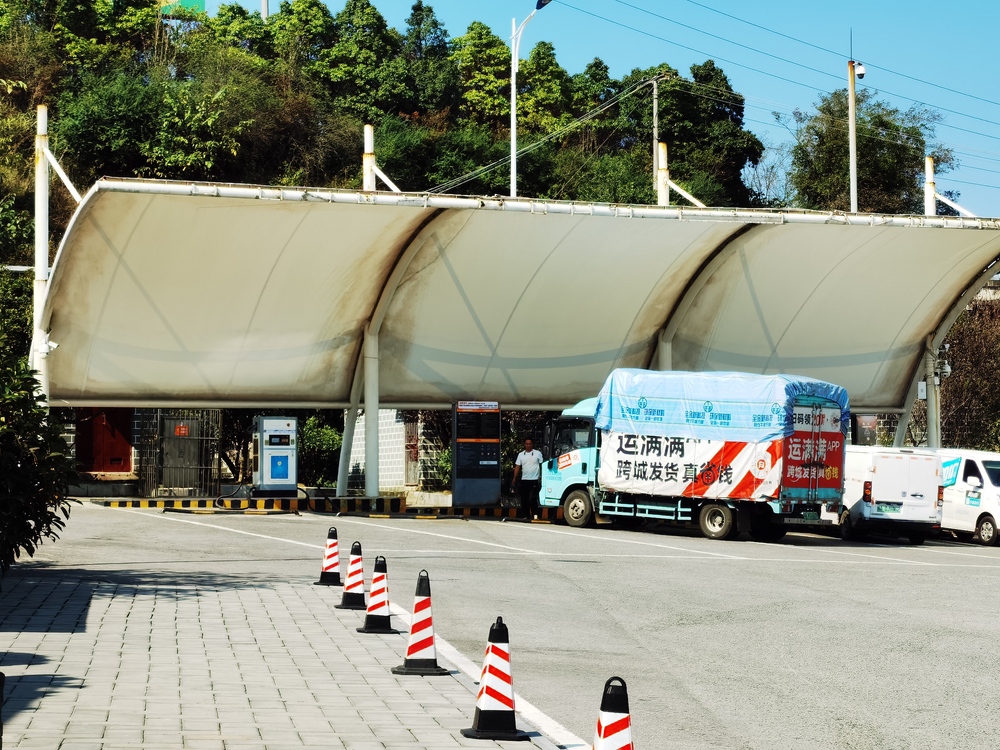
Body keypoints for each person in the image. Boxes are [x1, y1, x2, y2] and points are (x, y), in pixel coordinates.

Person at [511, 438, 544, 520]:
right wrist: (514, 478)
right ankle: (526, 515)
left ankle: (535, 514)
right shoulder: (521, 455)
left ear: (532, 444)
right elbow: (517, 466)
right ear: (524, 445)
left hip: (534, 479)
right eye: (527, 444)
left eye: (530, 444)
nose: (528, 445)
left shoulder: (537, 453)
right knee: (524, 499)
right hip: (524, 479)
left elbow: (542, 465)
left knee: (532, 498)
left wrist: (542, 476)